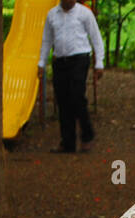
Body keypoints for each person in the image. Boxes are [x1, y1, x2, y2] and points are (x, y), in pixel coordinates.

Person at [37, 0, 105, 154]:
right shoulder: (52, 14)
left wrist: (99, 63)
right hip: (60, 61)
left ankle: (87, 135)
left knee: (76, 96)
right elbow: (47, 40)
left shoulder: (84, 13)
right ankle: (68, 142)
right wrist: (41, 62)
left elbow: (96, 38)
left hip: (79, 59)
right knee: (62, 99)